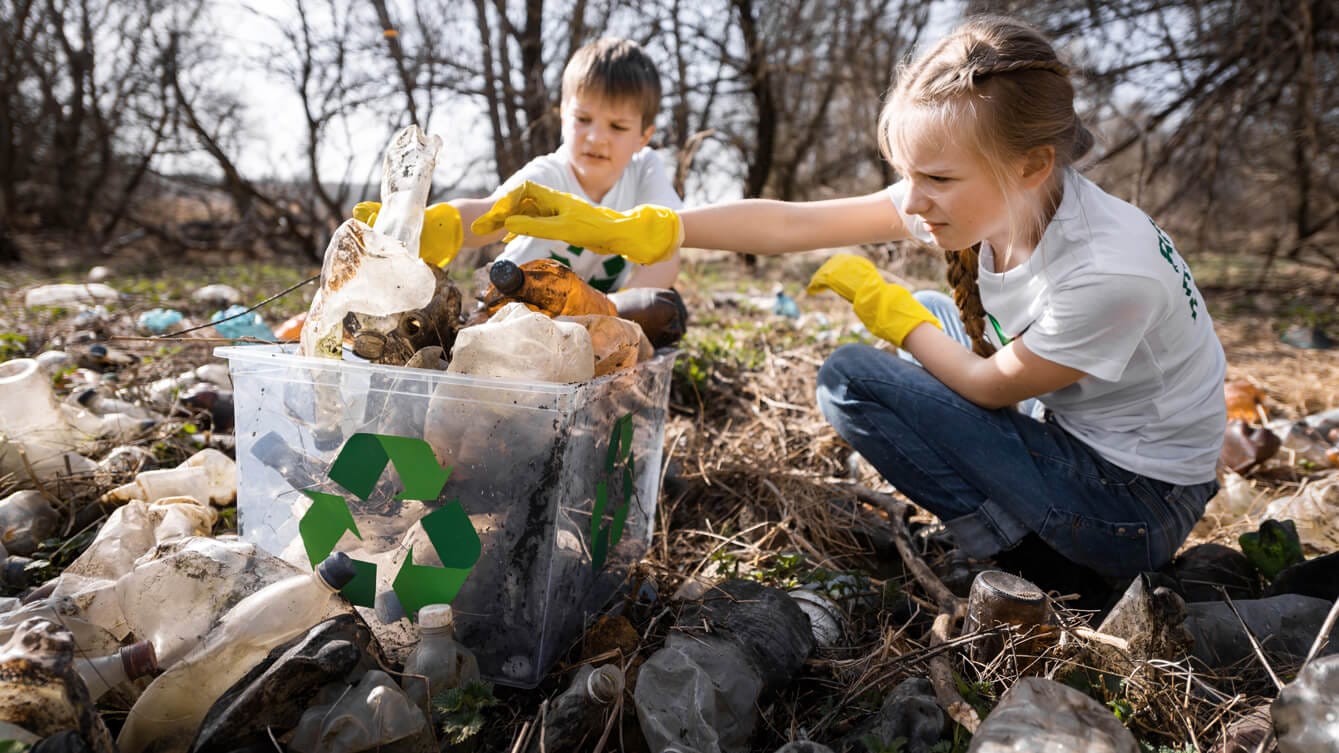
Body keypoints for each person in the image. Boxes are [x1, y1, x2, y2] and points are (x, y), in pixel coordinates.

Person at [470, 15, 1227, 595]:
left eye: (932, 180)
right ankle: (1014, 529)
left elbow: (991, 386)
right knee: (938, 306)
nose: (914, 200)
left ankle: (1033, 561)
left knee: (853, 376)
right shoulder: (997, 191)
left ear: (1030, 164)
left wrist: (887, 309)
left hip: (1131, 505)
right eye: (906, 176)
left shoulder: (1106, 270)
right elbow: (794, 221)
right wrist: (639, 226)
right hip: (1081, 440)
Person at [355, 37, 682, 292]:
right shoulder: (548, 174)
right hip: (514, 308)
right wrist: (439, 225)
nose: (596, 138)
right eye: (583, 119)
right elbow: (489, 215)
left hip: (595, 315)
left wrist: (618, 313)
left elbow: (668, 251)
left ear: (644, 136)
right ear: (562, 115)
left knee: (667, 312)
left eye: (618, 127)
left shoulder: (644, 171)